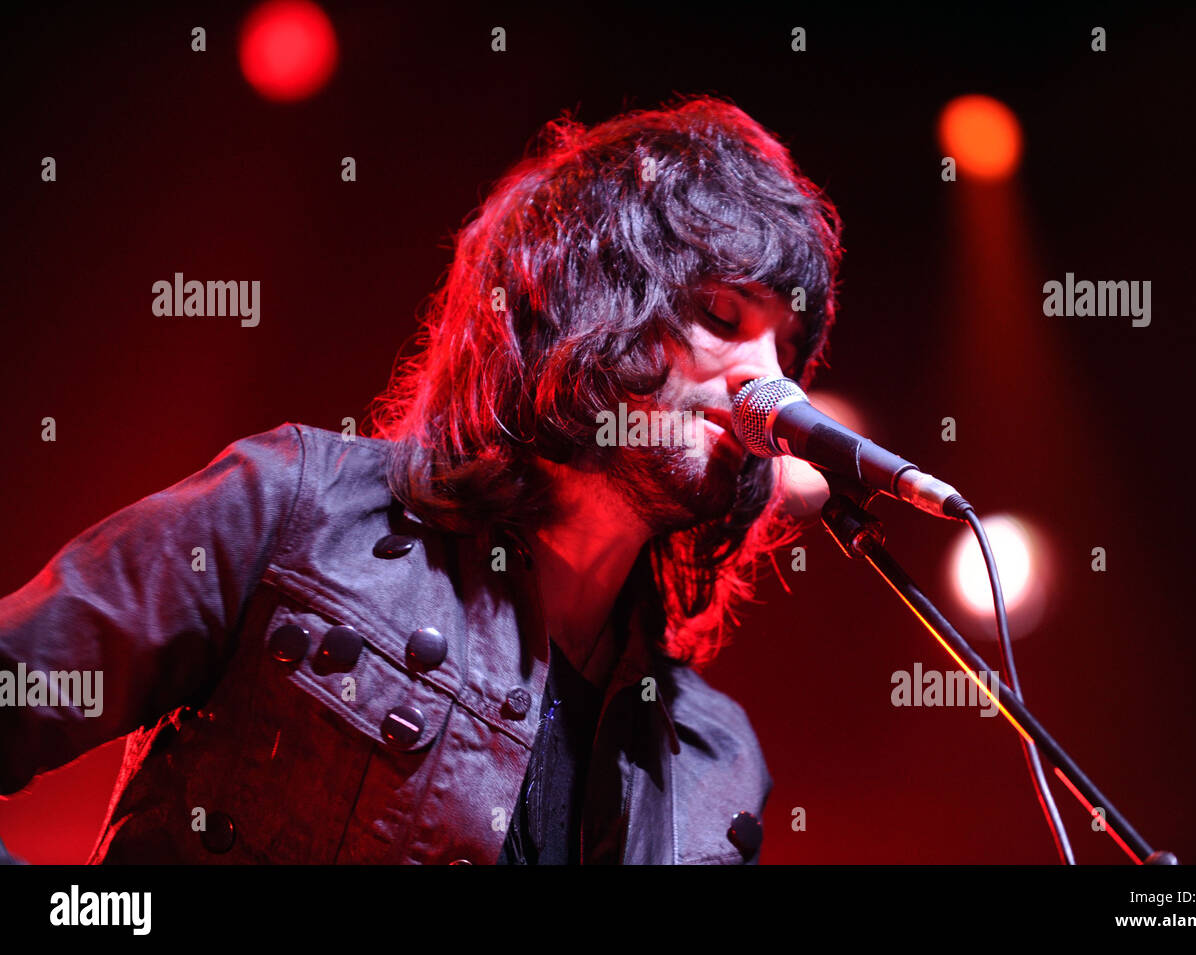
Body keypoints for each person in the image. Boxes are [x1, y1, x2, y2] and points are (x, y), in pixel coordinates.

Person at [0, 94, 843, 864]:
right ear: (593, 300)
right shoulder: (296, 509)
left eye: (788, 348)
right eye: (721, 316)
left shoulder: (713, 759)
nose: (768, 380)